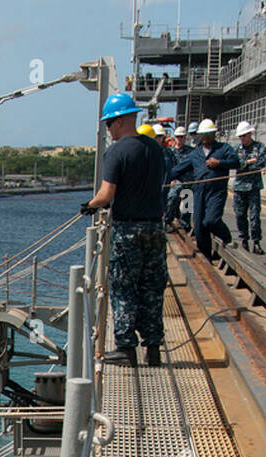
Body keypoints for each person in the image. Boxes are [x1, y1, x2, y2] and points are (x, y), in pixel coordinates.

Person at [80, 93, 169, 367]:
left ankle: (126, 348)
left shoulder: (116, 152)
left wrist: (90, 205)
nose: (108, 130)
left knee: (124, 287)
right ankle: (152, 348)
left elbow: (106, 194)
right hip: (155, 227)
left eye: (108, 125)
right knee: (152, 287)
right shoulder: (156, 149)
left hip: (128, 229)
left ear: (118, 122)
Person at [172, 118, 239, 259]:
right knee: (199, 226)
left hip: (216, 191)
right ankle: (206, 256)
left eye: (208, 134)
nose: (205, 137)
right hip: (199, 191)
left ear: (214, 134)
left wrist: (220, 163)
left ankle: (226, 236)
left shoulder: (224, 149)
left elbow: (236, 162)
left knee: (211, 221)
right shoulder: (195, 154)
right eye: (203, 134)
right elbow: (177, 170)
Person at [232, 121, 266, 253]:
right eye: (240, 136)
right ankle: (244, 240)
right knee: (240, 215)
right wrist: (248, 162)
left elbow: (261, 162)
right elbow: (235, 163)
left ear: (250, 134)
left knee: (254, 216)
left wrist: (246, 165)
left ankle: (256, 242)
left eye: (244, 136)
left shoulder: (259, 147)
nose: (242, 139)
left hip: (253, 187)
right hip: (239, 187)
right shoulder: (236, 149)